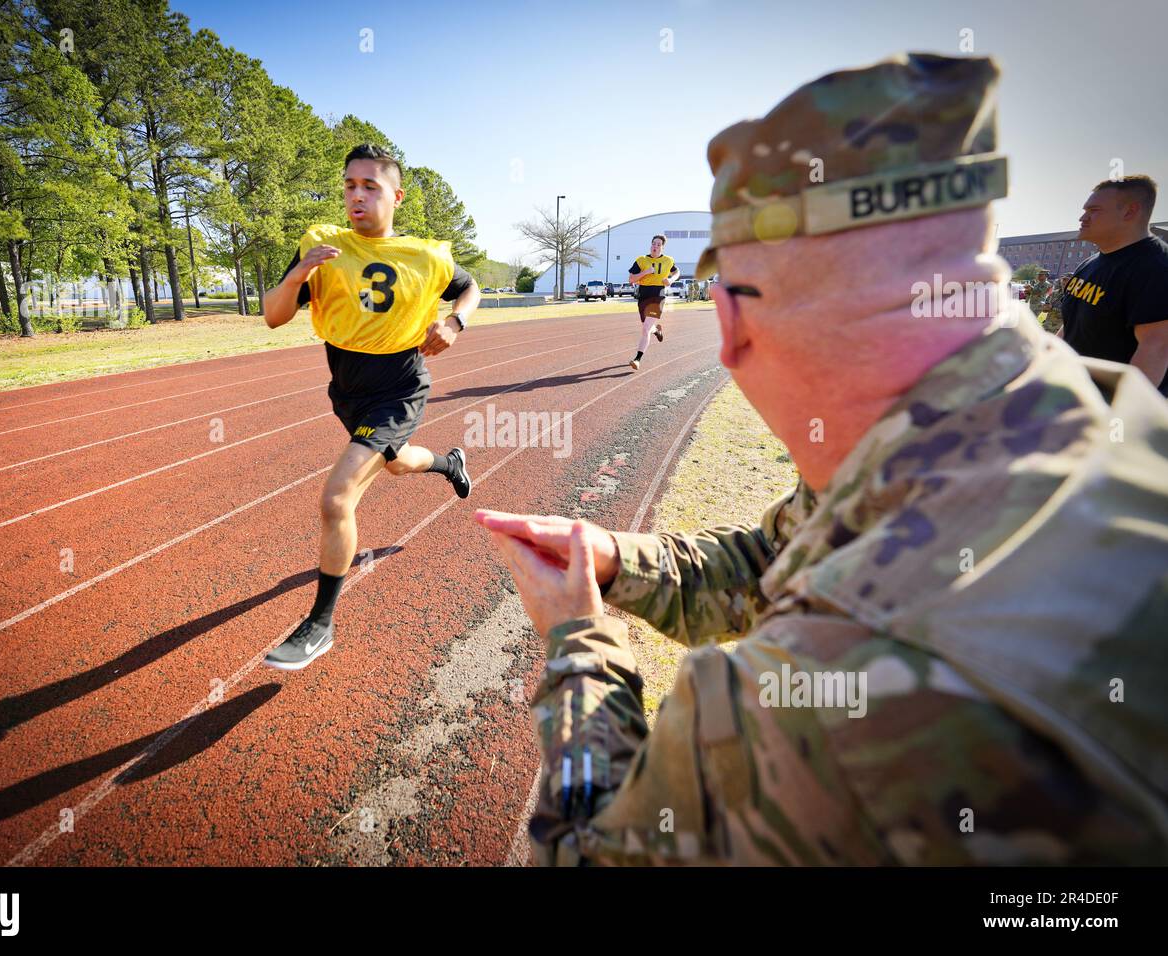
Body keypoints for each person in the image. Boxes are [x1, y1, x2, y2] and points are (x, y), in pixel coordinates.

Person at [476, 53, 1168, 865]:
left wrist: (577, 643)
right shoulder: (1057, 406)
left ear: (731, 324)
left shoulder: (865, 679)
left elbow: (593, 853)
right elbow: (788, 554)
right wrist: (618, 558)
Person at [261, 144, 480, 671]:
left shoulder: (425, 255)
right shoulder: (323, 246)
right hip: (348, 387)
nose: (356, 197)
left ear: (396, 196)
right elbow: (272, 317)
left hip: (399, 387)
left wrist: (454, 324)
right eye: (349, 186)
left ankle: (320, 624)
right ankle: (450, 463)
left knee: (337, 498)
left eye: (371, 187)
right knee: (397, 462)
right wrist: (297, 276)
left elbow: (469, 288)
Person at [1061, 175, 1168, 394]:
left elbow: (1156, 349)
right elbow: (1070, 327)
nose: (1083, 217)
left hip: (1110, 407)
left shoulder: (1156, 267)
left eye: (1094, 210)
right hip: (1074, 396)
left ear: (1130, 212)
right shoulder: (1091, 263)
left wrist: (1119, 415)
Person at [626, 235, 679, 370]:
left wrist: (671, 280)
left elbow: (677, 271)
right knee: (647, 327)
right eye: (654, 243)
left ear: (662, 247)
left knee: (645, 329)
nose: (655, 246)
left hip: (658, 295)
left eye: (659, 244)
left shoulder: (668, 260)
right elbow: (631, 279)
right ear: (651, 245)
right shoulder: (641, 260)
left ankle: (637, 359)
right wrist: (645, 272)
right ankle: (657, 331)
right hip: (643, 295)